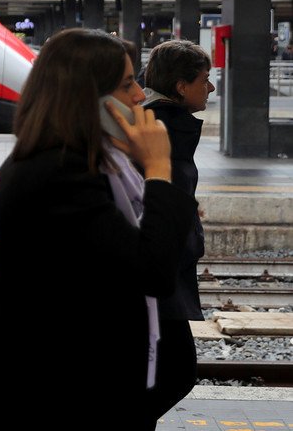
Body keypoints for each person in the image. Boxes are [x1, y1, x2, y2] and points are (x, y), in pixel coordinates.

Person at [0, 29, 197, 429]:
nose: (140, 96)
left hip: (67, 391)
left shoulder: (83, 165)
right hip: (55, 400)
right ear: (90, 97)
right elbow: (152, 268)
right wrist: (161, 169)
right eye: (128, 84)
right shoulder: (60, 174)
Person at [142, 40, 214, 429]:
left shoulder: (168, 123)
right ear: (182, 85)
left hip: (162, 266)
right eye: (205, 79)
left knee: (159, 373)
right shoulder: (163, 126)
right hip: (156, 271)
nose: (211, 88)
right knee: (177, 370)